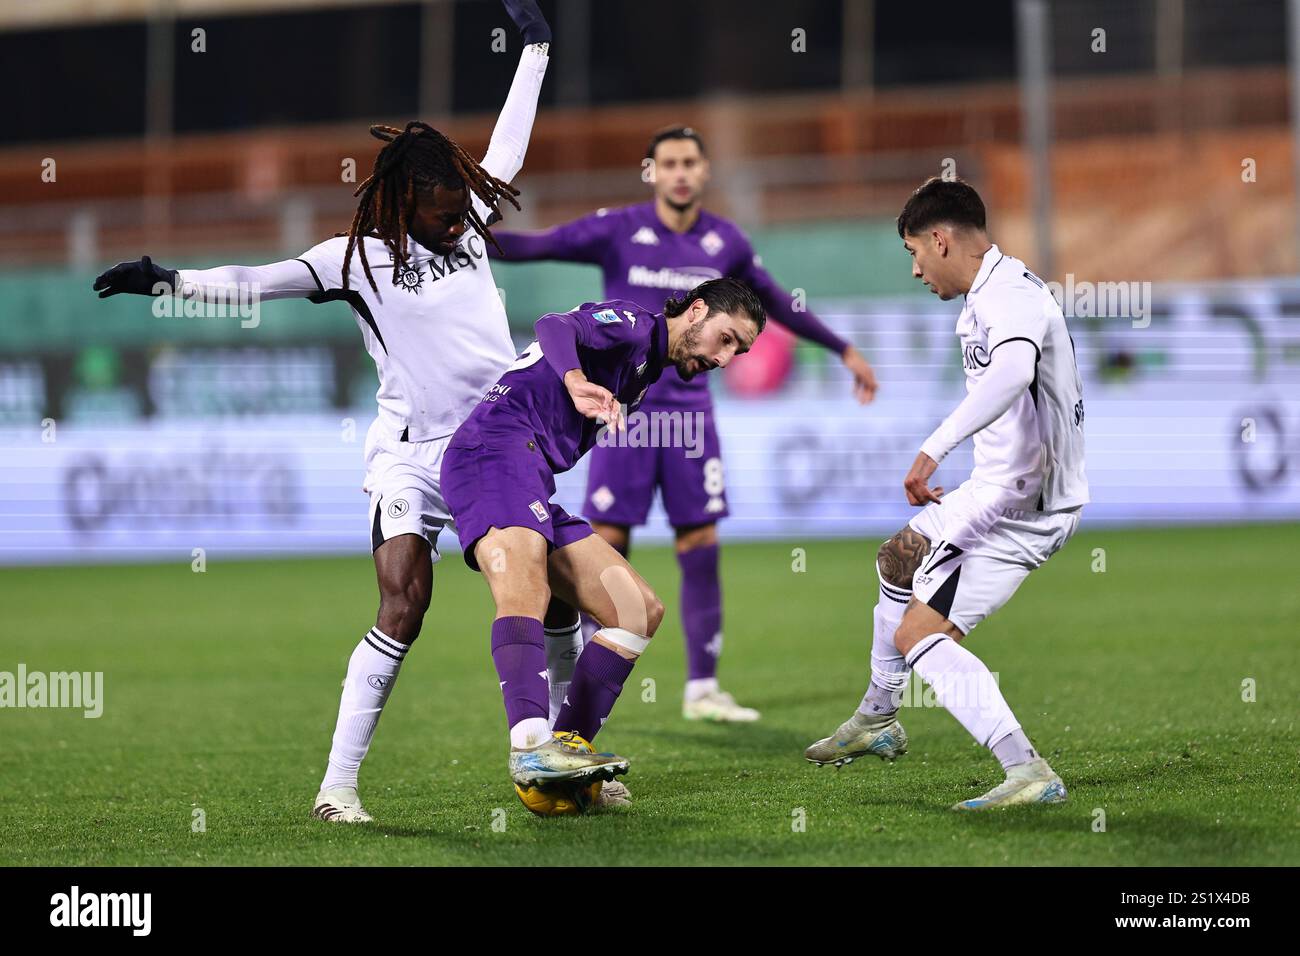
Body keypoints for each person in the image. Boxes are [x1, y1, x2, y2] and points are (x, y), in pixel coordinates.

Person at [92, 0, 554, 824]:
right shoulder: (351, 261)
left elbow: (508, 146)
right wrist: (167, 281)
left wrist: (537, 47)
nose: (459, 225)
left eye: (463, 211)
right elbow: (254, 282)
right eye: (444, 215)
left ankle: (562, 757)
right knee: (403, 602)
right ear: (404, 201)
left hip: (495, 445)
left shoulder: (472, 217)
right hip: (413, 456)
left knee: (554, 598)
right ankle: (337, 789)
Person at [490, 125, 878, 723]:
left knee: (699, 542)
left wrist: (841, 347)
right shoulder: (616, 228)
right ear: (651, 171)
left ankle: (702, 687)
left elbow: (777, 301)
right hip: (624, 413)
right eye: (667, 162)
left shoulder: (726, 242)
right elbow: (535, 244)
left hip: (691, 418)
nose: (679, 172)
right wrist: (460, 240)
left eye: (690, 162)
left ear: (703, 172)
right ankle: (594, 672)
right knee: (607, 537)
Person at [804, 177, 1089, 810]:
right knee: (897, 557)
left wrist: (935, 446)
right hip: (1003, 492)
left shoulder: (1008, 293)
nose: (914, 270)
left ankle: (1027, 770)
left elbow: (1014, 372)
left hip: (1020, 508)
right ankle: (878, 717)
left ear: (940, 239)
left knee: (917, 635)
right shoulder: (993, 292)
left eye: (914, 253)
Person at [439, 279, 765, 803]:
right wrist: (571, 377)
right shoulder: (635, 325)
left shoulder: (642, 375)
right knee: (525, 591)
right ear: (697, 309)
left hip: (529, 476)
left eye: (738, 351)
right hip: (491, 455)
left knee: (638, 610)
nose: (726, 359)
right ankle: (531, 748)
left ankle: (567, 756)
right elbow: (554, 323)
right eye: (726, 339)